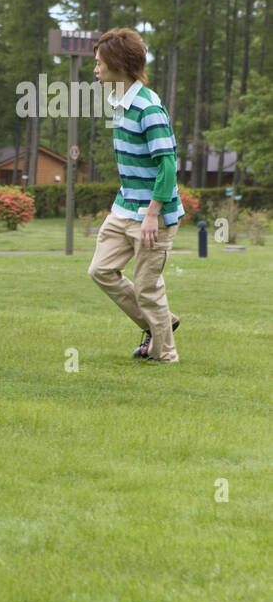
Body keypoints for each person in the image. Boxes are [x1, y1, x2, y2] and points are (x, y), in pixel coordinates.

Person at [88, 28, 183, 362]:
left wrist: (152, 214)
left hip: (153, 215)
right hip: (123, 208)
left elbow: (168, 166)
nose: (96, 69)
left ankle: (164, 353)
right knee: (100, 271)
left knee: (146, 286)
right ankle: (162, 324)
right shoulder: (117, 104)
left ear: (118, 65)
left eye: (100, 63)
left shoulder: (149, 109)